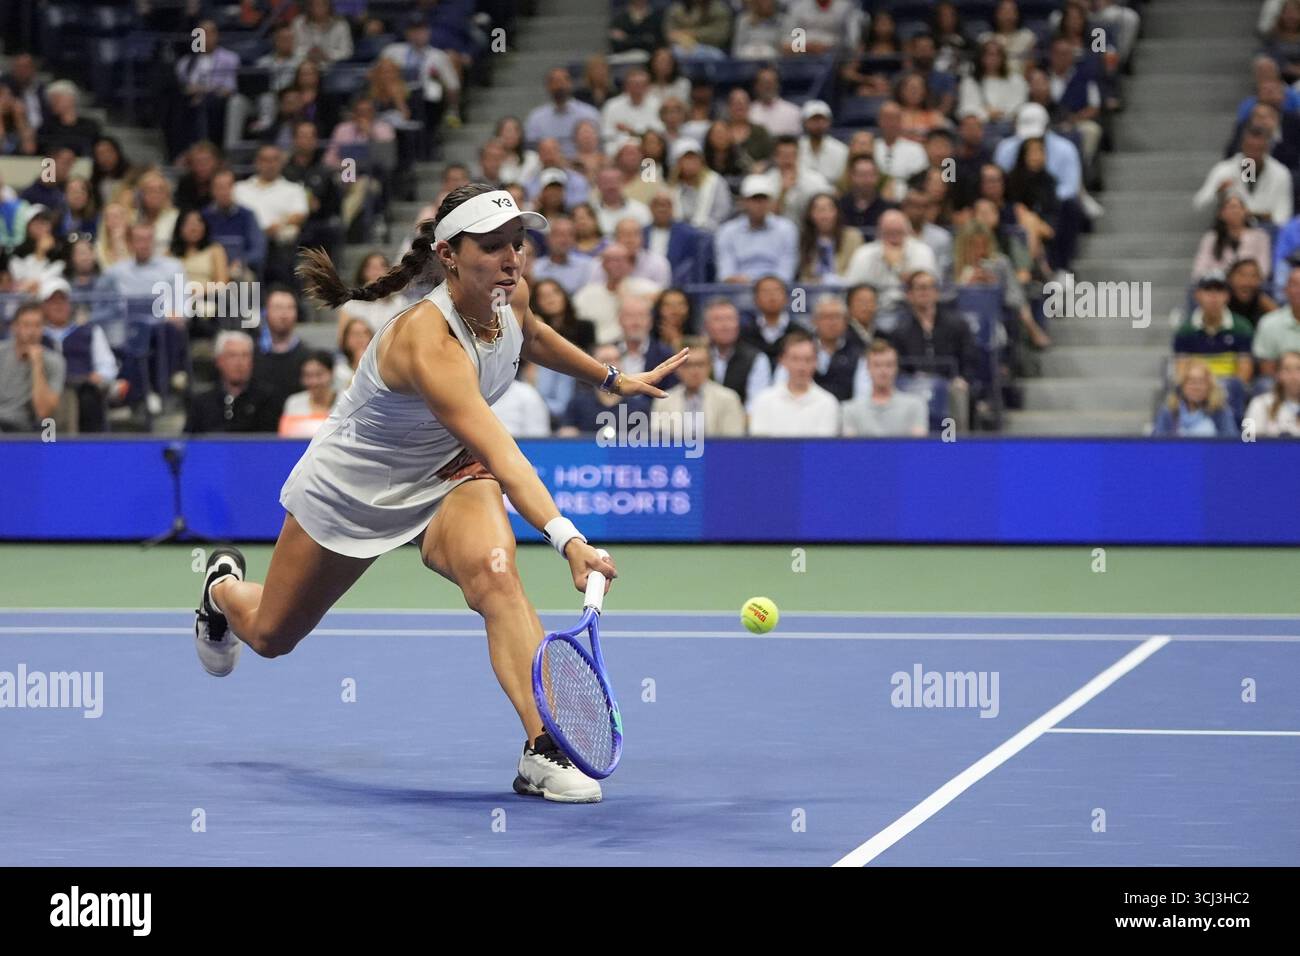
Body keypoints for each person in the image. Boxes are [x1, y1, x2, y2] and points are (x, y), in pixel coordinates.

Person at [193, 185, 686, 805]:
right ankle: (221, 591)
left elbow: (530, 336)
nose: (512, 259)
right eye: (492, 247)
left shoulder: (511, 296)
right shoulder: (428, 343)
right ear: (449, 256)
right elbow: (505, 452)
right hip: (355, 491)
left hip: (449, 470)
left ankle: (544, 747)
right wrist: (568, 538)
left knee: (497, 573)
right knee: (271, 635)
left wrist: (612, 378)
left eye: (517, 243)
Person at [184, 331, 281, 434]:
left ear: (252, 361)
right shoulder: (201, 404)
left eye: (245, 355)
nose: (239, 363)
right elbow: (188, 443)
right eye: (232, 355)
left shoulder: (268, 400)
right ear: (219, 361)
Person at [748, 330, 840, 436]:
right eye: (795, 359)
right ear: (782, 360)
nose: (801, 367)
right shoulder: (764, 400)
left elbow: (824, 448)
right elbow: (760, 446)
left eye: (808, 359)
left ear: (816, 362)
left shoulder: (828, 403)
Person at [655, 335, 745, 435]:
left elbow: (734, 444)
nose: (694, 371)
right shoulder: (663, 401)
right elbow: (660, 445)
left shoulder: (728, 399)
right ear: (677, 368)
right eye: (688, 365)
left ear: (709, 366)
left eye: (700, 364)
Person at [841, 338, 929, 437]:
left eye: (889, 365)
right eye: (877, 365)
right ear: (868, 368)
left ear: (897, 368)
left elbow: (918, 448)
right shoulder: (850, 409)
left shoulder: (915, 405)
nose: (883, 371)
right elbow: (850, 450)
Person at [0, 302, 64, 432]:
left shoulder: (54, 362)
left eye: (37, 325)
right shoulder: (2, 352)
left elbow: (43, 411)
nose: (32, 331)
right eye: (26, 325)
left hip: (23, 429)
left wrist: (37, 365)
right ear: (15, 327)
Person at [1151, 359, 1238, 438]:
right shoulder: (1169, 412)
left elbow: (1231, 446)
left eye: (1201, 382)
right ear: (1182, 386)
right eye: (1191, 382)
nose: (1196, 387)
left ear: (1209, 386)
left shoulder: (1221, 411)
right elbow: (1157, 445)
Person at [278, 349, 338, 438]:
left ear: (331, 373)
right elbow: (286, 439)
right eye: (308, 375)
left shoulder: (346, 402)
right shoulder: (293, 403)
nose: (314, 382)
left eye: (319, 374)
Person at [1243, 350, 1300, 436]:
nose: (1293, 376)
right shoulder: (1259, 403)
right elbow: (1247, 439)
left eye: (1298, 369)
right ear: (1278, 374)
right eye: (1287, 369)